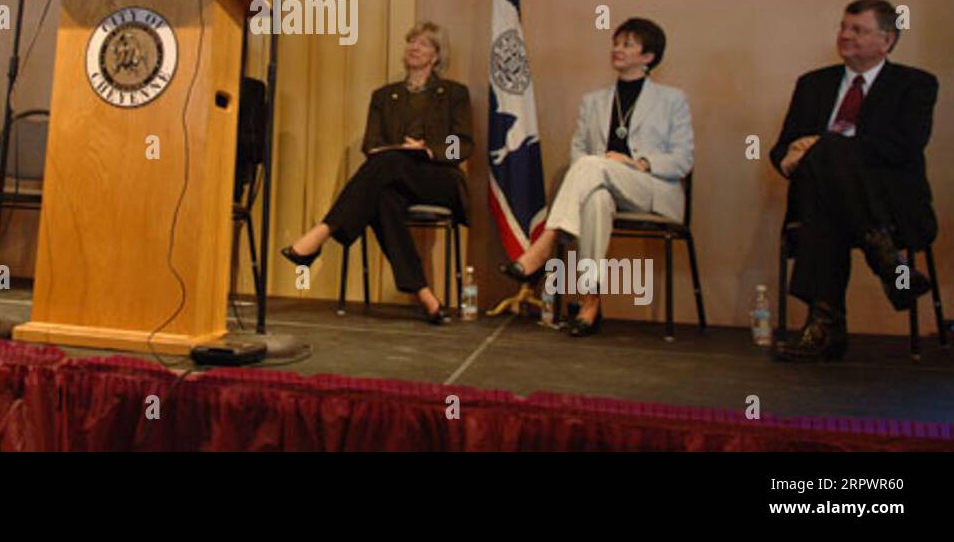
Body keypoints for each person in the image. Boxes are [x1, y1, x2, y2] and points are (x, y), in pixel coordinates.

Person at [500, 18, 693, 337]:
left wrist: (636, 163)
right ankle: (590, 302)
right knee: (594, 199)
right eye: (616, 43)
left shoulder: (672, 100)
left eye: (627, 44)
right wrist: (599, 167)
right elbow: (578, 155)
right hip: (600, 184)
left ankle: (546, 242)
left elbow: (682, 160)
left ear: (648, 56)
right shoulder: (593, 101)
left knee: (594, 167)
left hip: (651, 189)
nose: (617, 49)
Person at [770, 0, 937, 362]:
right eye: (843, 27)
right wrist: (790, 158)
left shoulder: (915, 84)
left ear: (887, 40)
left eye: (857, 30)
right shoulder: (813, 84)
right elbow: (781, 147)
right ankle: (887, 261)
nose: (845, 36)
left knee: (829, 159)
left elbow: (904, 147)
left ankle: (825, 326)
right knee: (825, 184)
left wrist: (824, 146)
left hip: (892, 200)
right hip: (828, 202)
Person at [281, 23, 472, 324]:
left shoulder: (453, 93)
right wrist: (394, 151)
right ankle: (425, 294)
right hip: (392, 175)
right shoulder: (384, 96)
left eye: (423, 44)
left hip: (439, 178)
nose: (414, 47)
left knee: (390, 162)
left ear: (436, 56)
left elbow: (462, 144)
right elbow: (371, 144)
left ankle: (322, 232)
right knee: (383, 198)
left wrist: (428, 149)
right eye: (411, 42)